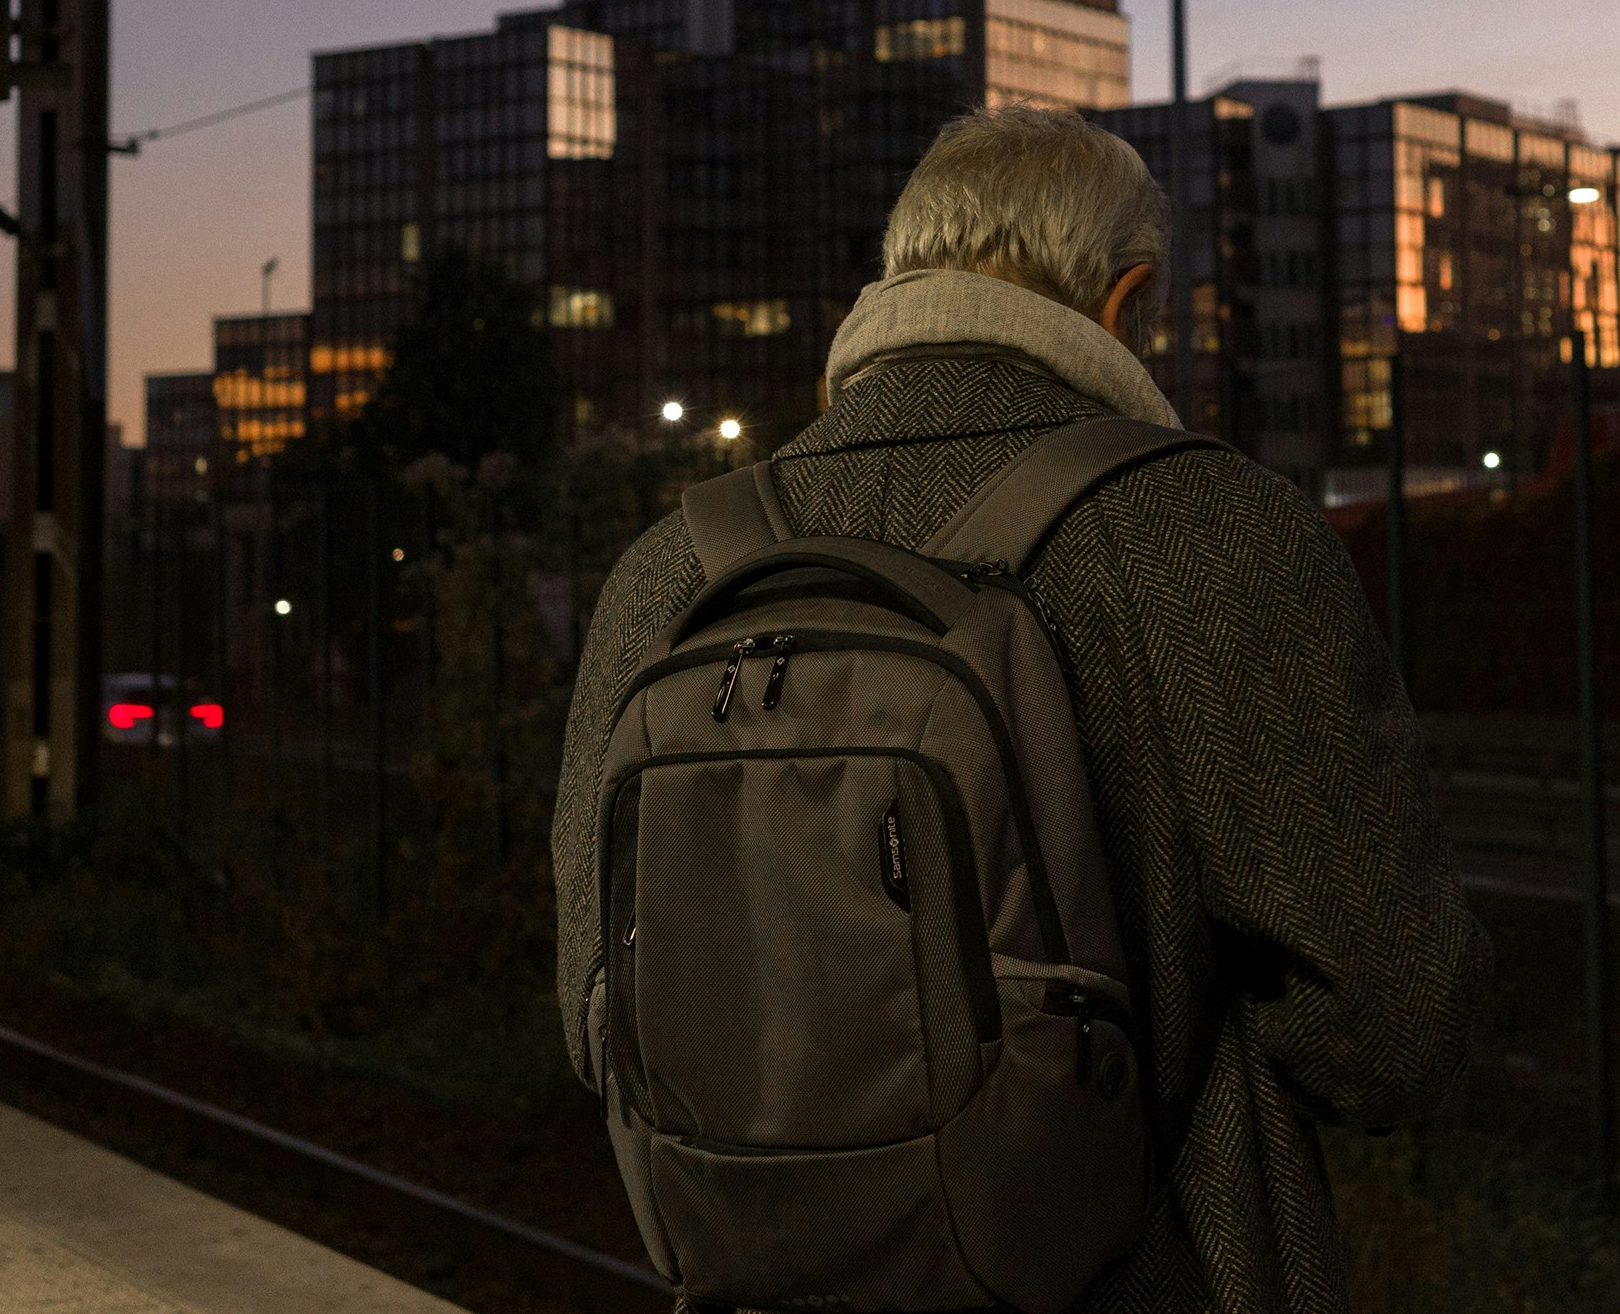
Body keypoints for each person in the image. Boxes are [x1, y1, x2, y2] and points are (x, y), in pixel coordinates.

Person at [552, 101, 1490, 1313]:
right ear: (1124, 300)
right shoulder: (1210, 534)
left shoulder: (672, 573)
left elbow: (597, 1019)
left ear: (899, 277)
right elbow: (1397, 1027)